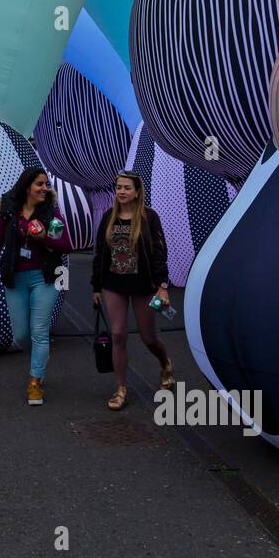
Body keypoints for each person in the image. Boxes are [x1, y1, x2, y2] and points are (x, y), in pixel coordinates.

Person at [0, 167, 73, 405]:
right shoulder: (9, 211)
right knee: (21, 334)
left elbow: (64, 245)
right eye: (39, 184)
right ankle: (39, 361)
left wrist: (45, 238)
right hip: (15, 278)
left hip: (45, 278)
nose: (44, 188)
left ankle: (35, 382)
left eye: (46, 184)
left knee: (39, 330)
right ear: (27, 186)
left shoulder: (52, 213)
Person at [91, 171, 173, 409]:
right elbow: (100, 254)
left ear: (137, 191)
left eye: (127, 187)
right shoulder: (109, 217)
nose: (122, 192)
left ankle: (165, 363)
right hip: (113, 284)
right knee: (117, 334)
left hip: (142, 285)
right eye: (118, 187)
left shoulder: (149, 217)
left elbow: (159, 253)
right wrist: (96, 286)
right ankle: (121, 388)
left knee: (148, 337)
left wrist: (163, 286)